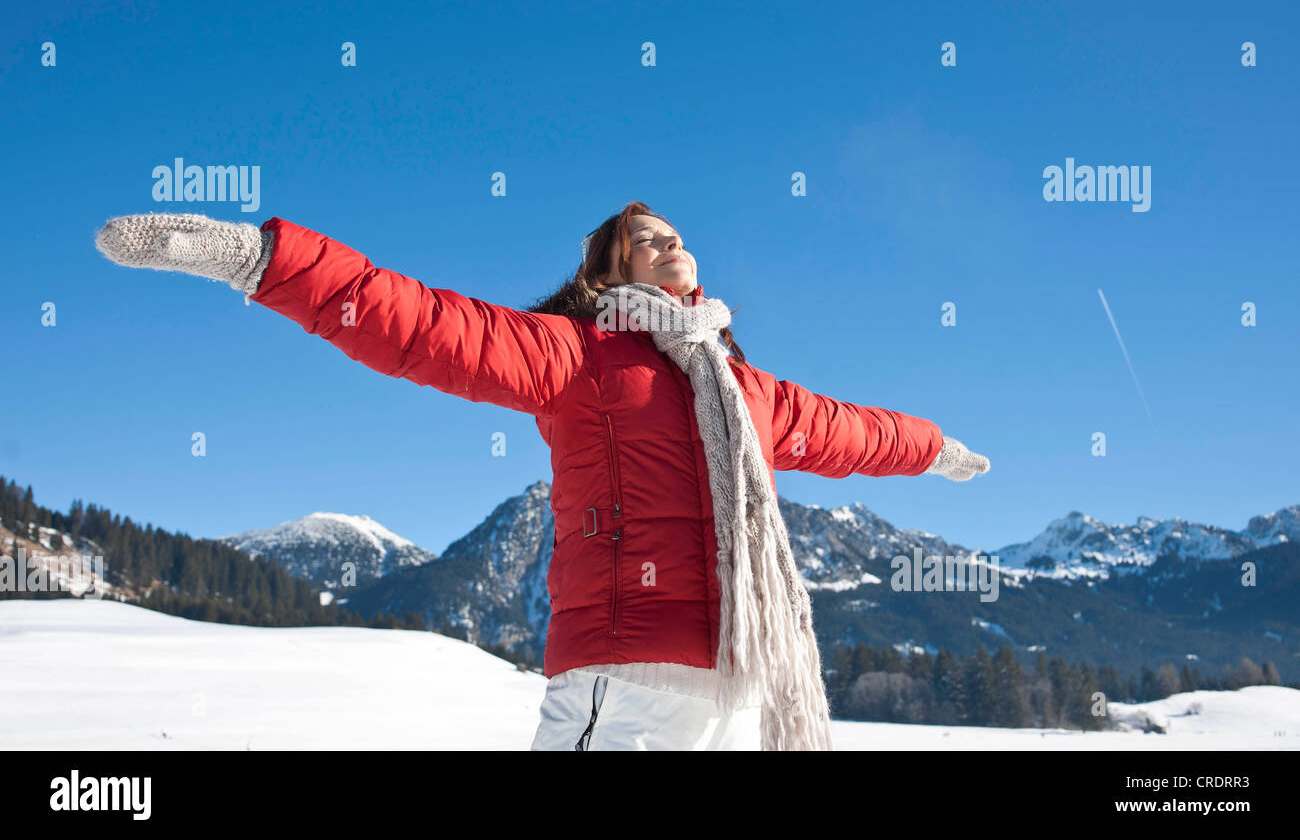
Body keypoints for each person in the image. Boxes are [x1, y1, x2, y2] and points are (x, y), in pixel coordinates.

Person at [93, 201, 990, 751]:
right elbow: (421, 324)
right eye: (647, 239)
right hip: (622, 679)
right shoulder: (575, 357)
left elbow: (852, 431)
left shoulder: (743, 393)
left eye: (676, 235)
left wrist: (934, 447)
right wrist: (259, 259)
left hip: (732, 686)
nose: (670, 243)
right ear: (607, 273)